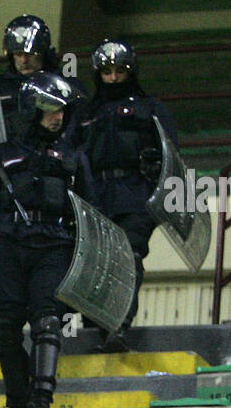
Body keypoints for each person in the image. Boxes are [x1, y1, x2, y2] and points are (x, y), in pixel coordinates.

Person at [0, 71, 95, 408]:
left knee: (47, 323)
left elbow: (93, 214)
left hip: (55, 245)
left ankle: (40, 404)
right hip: (7, 246)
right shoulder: (1, 155)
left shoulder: (73, 158)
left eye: (62, 110)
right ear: (32, 109)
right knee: (7, 329)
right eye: (50, 109)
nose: (58, 116)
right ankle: (17, 405)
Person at [64, 39, 179, 351]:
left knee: (128, 259)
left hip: (135, 195)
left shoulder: (149, 108)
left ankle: (117, 326)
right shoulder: (86, 112)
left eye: (119, 71)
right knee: (95, 264)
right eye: (107, 72)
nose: (113, 78)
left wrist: (157, 171)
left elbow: (172, 154)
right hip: (95, 197)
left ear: (131, 71)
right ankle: (97, 326)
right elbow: (68, 151)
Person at [0, 15, 65, 135]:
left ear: (44, 53)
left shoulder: (62, 85)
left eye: (30, 54)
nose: (24, 60)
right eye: (18, 54)